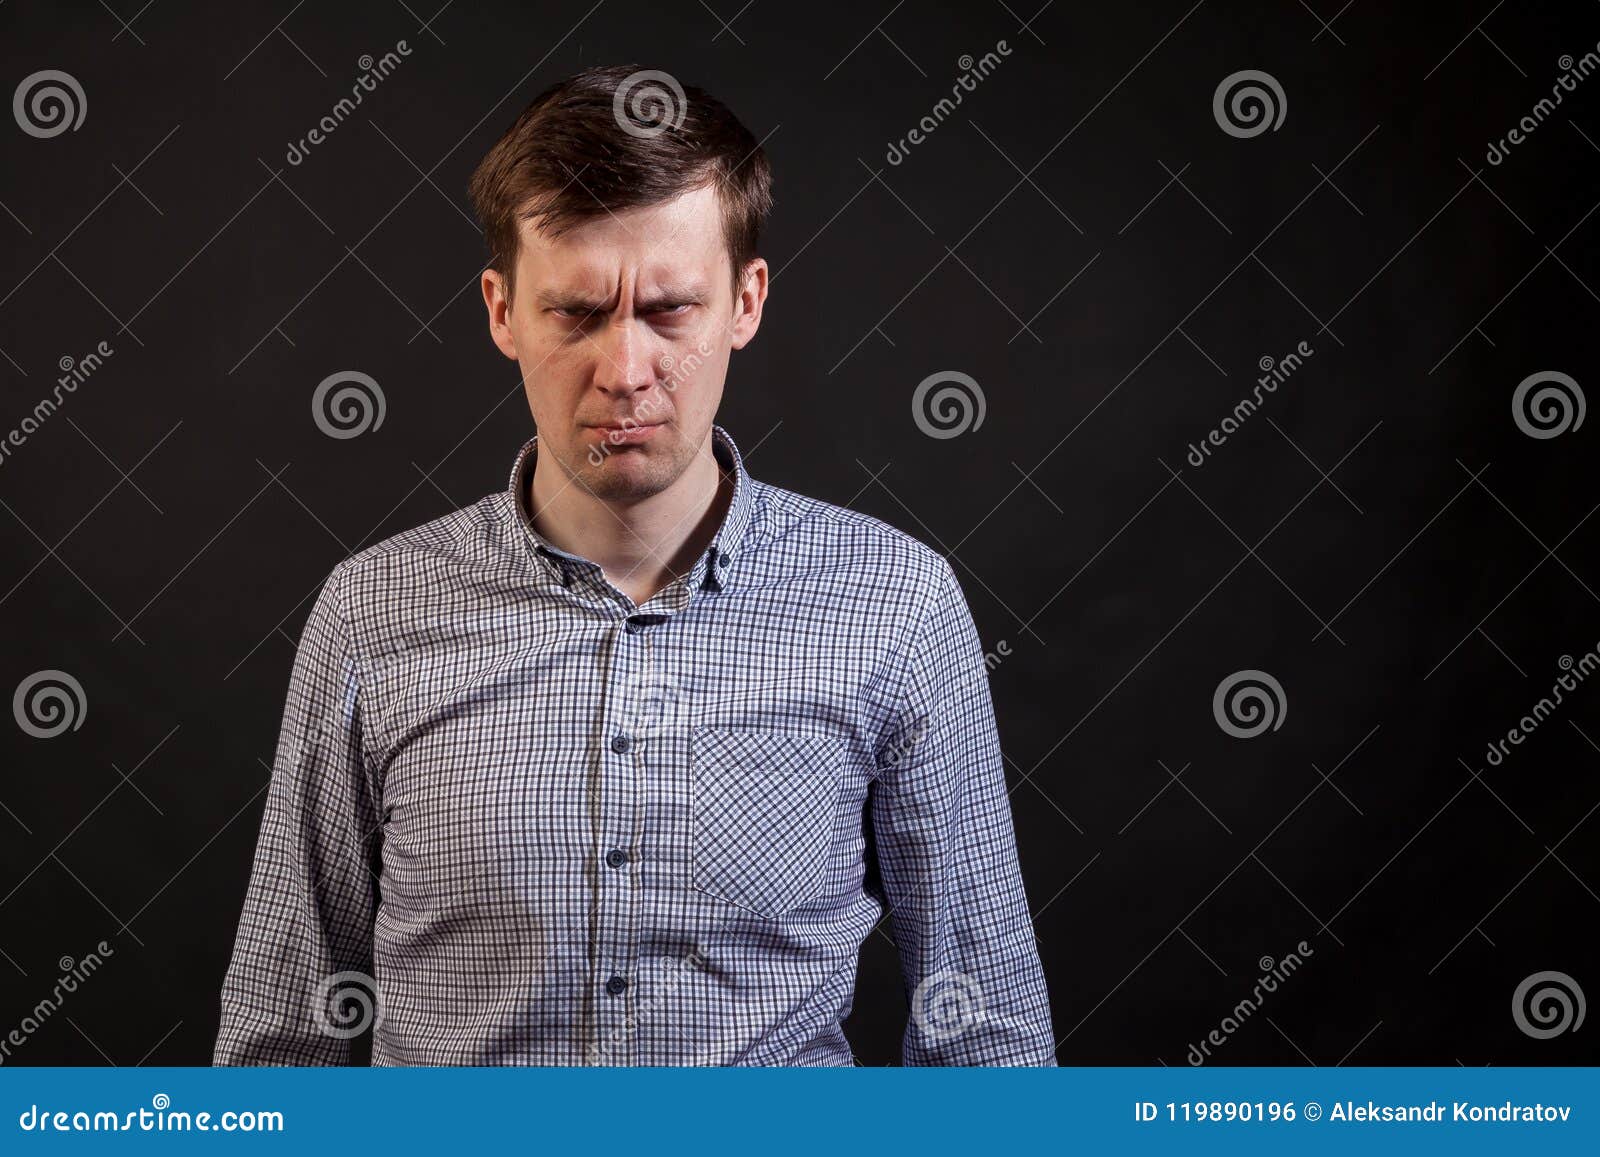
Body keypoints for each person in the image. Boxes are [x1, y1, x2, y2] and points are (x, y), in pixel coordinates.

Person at [213, 63, 1056, 1066]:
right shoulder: (372, 610)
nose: (624, 370)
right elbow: (285, 1032)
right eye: (575, 312)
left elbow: (986, 1036)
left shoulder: (897, 605)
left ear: (745, 302)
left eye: (668, 310)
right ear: (502, 311)